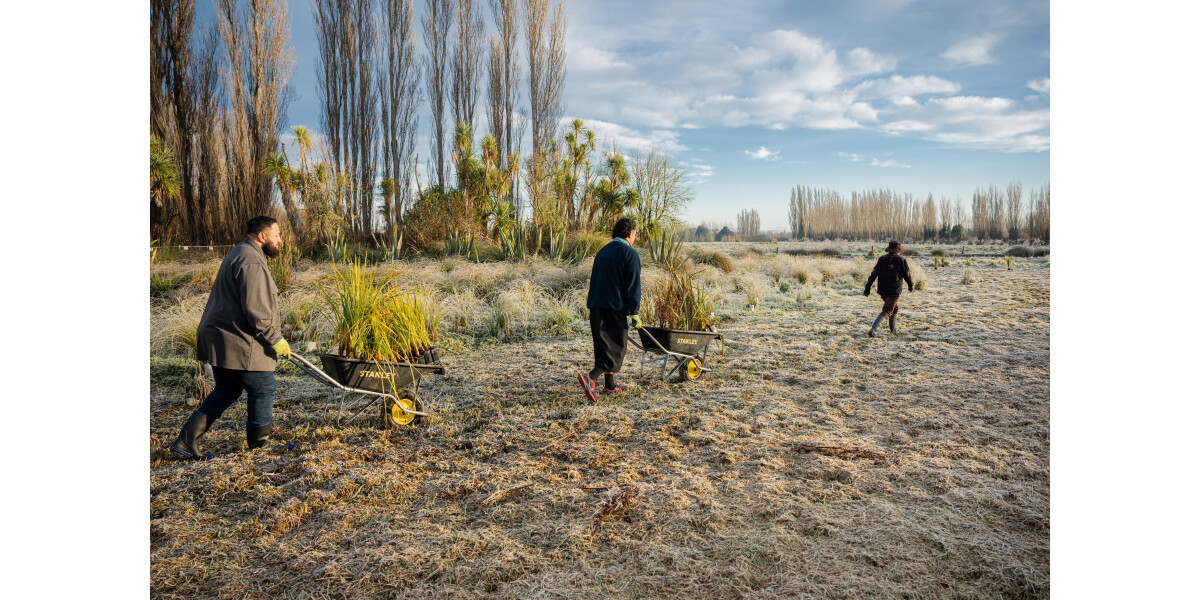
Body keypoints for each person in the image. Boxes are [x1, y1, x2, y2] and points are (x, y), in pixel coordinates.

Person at [170, 216, 291, 460]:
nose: (280, 240)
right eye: (277, 235)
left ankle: (186, 441)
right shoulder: (251, 261)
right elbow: (257, 310)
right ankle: (260, 446)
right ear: (262, 236)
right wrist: (275, 339)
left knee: (228, 389)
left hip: (221, 337)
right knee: (263, 387)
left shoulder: (241, 252)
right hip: (235, 339)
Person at [578, 218, 642, 402]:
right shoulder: (629, 253)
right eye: (635, 234)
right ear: (630, 233)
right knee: (617, 347)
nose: (635, 237)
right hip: (614, 307)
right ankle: (591, 377)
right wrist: (634, 311)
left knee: (603, 345)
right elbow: (633, 285)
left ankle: (610, 385)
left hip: (596, 305)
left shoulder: (603, 251)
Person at [863, 240, 914, 337]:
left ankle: (893, 332)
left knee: (894, 308)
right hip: (894, 291)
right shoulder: (901, 260)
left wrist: (867, 287)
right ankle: (873, 330)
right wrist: (910, 285)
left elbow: (873, 274)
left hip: (883, 290)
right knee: (887, 311)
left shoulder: (881, 259)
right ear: (898, 250)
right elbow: (907, 275)